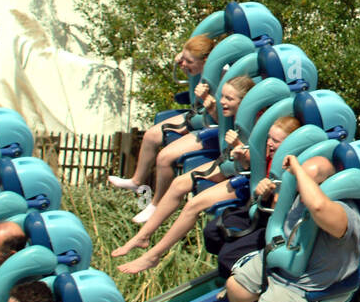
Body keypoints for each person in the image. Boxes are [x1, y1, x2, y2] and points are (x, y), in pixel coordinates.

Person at [217, 153, 360, 302]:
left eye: (304, 178)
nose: (298, 182)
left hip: (312, 286)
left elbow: (318, 207)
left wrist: (297, 167)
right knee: (235, 287)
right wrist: (266, 189)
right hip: (285, 262)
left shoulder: (342, 213)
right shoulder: (300, 196)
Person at [115, 115, 300, 275]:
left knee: (221, 242)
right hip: (254, 201)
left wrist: (266, 192)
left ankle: (154, 254)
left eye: (275, 141)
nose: (269, 143)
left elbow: (281, 202)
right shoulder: (266, 153)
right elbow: (249, 162)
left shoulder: (292, 165)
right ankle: (146, 241)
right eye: (268, 138)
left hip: (267, 214)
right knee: (210, 230)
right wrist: (240, 154)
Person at [114, 75, 255, 240]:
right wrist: (210, 107)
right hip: (230, 164)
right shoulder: (232, 114)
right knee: (178, 184)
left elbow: (255, 160)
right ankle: (143, 235)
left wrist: (238, 146)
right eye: (222, 96)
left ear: (244, 101)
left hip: (244, 175)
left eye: (229, 98)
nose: (222, 101)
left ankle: (151, 249)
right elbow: (225, 128)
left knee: (193, 204)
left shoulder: (255, 121)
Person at [107, 34, 216, 192]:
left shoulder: (221, 73)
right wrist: (183, 58)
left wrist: (207, 98)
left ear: (205, 62)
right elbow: (190, 61)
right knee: (151, 136)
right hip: (198, 115)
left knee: (164, 158)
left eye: (189, 62)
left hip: (211, 125)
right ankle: (136, 180)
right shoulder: (202, 68)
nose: (183, 64)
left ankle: (156, 203)